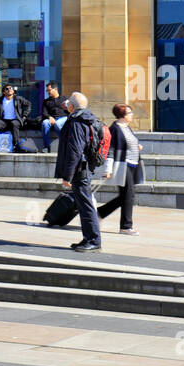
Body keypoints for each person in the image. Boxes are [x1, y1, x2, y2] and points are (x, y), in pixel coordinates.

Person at [54, 91, 103, 252]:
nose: (66, 104)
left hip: (80, 170)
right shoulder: (87, 118)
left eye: (68, 103)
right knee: (84, 205)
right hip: (85, 167)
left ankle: (94, 240)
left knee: (86, 205)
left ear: (72, 106)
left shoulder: (76, 122)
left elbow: (74, 151)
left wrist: (67, 176)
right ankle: (88, 238)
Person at [97, 103, 144, 235]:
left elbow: (128, 143)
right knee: (129, 195)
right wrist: (108, 169)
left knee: (125, 196)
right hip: (123, 165)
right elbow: (110, 149)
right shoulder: (115, 129)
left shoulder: (127, 128)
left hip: (133, 164)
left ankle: (100, 212)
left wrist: (137, 146)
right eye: (129, 113)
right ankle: (126, 226)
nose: (131, 115)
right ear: (122, 115)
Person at [0, 85, 30, 153]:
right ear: (4, 92)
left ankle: (16, 145)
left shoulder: (18, 99)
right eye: (7, 89)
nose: (9, 90)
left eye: (11, 88)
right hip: (4, 121)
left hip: (15, 120)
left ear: (13, 91)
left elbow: (28, 104)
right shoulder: (0, 100)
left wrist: (24, 116)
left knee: (14, 124)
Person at [41, 81, 67, 152]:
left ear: (55, 89)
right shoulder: (46, 101)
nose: (48, 92)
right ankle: (46, 147)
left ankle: (65, 143)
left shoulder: (64, 98)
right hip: (51, 118)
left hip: (63, 118)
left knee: (57, 124)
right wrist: (49, 117)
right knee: (45, 123)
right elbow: (44, 113)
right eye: (47, 91)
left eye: (49, 90)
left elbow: (70, 110)